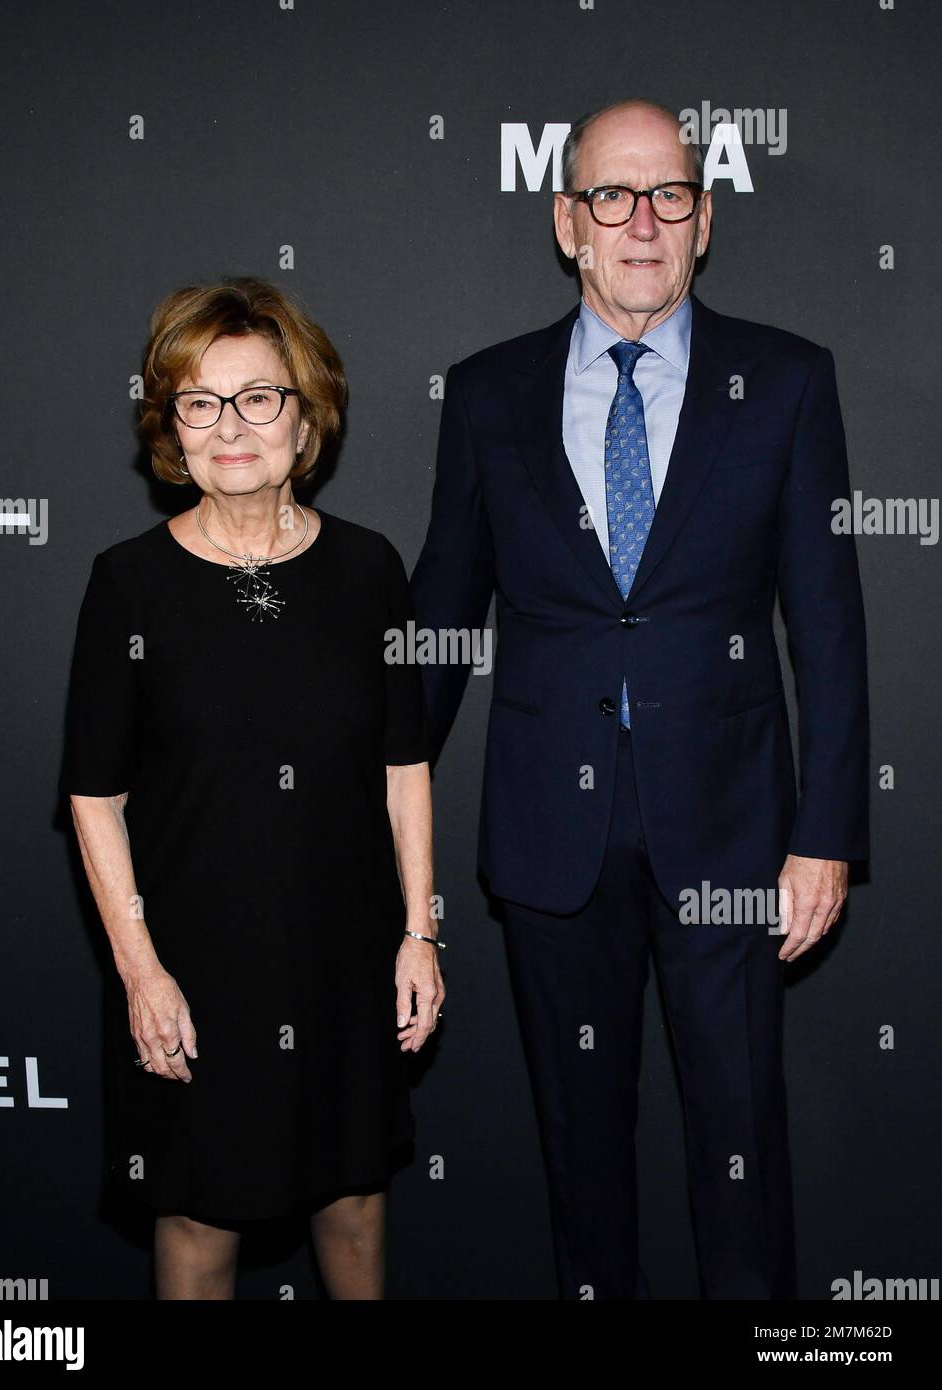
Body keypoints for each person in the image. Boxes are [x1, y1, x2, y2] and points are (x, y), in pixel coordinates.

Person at [410, 99, 869, 1299]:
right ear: (569, 223)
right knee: (580, 1160)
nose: (642, 223)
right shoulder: (487, 393)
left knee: (740, 1158)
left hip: (728, 836)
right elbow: (442, 617)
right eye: (611, 198)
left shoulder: (785, 381)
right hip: (548, 846)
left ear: (704, 218)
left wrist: (824, 834)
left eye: (669, 195)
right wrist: (346, 773)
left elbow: (826, 627)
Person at [60, 276, 444, 1300]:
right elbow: (94, 798)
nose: (231, 425)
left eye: (259, 396)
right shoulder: (127, 584)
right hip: (190, 961)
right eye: (199, 400)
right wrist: (142, 973)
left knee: (355, 1201)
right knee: (196, 1218)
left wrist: (418, 932)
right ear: (170, 428)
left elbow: (403, 765)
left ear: (306, 415)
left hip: (344, 949)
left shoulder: (369, 571)